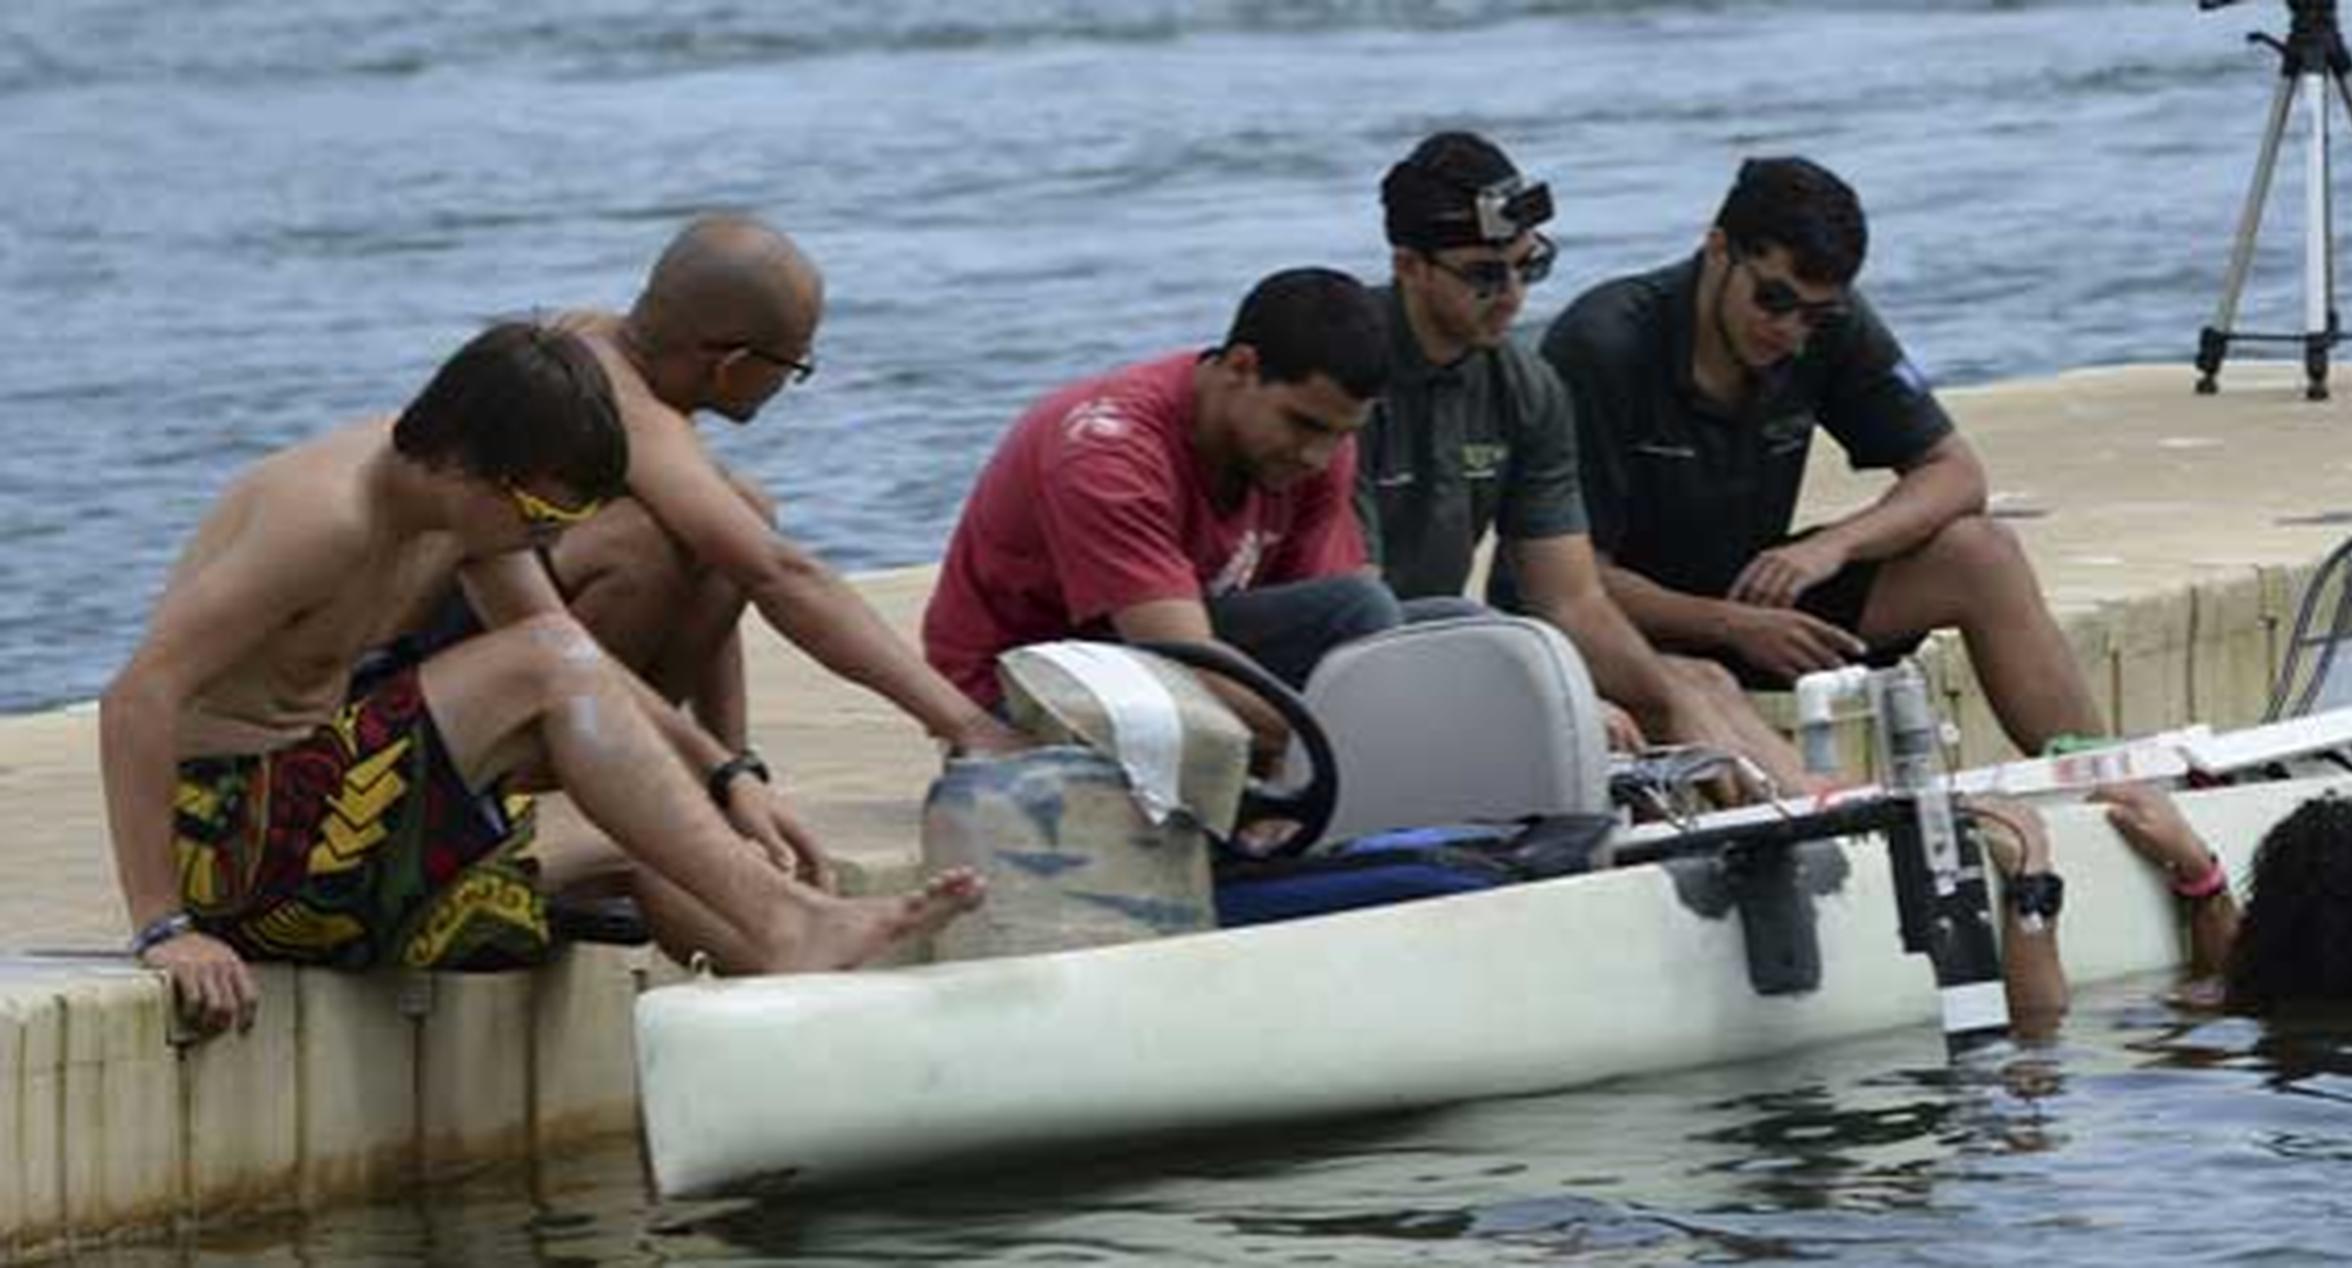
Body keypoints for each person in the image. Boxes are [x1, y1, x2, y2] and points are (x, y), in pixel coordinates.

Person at [100, 322, 982, 1037]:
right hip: (241, 860)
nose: (548, 534)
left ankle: (808, 1006)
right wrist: (166, 928)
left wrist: (725, 773)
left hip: (340, 856)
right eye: (546, 510)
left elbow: (572, 653)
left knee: (661, 844)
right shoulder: (322, 519)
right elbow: (139, 697)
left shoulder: (461, 510)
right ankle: (794, 925)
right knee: (544, 663)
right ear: (471, 464)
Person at [1541, 156, 2103, 756]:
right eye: (1772, 299)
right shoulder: (1603, 345)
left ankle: (2106, 780)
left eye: (1816, 313)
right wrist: (1729, 624)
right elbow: (1570, 586)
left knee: (1982, 554)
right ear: (1717, 249)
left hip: (1753, 597)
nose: (1790, 330)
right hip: (1620, 625)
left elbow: (1954, 473)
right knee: (1707, 684)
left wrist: (1831, 547)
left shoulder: (1827, 326)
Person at [1361, 131, 1814, 791]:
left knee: (1697, 681)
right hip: (1352, 665)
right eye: (1485, 275)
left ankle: (1827, 824)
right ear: (1409, 267)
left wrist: (1664, 700)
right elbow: (1358, 615)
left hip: (1445, 646)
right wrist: (1562, 701)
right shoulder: (1346, 379)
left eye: (1530, 264)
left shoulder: (1525, 388)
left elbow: (1573, 600)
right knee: (1606, 711)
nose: (1513, 295)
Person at [510, 214, 1019, 765]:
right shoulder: (620, 400)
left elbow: (723, 549)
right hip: (455, 684)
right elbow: (781, 575)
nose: (793, 378)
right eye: (797, 363)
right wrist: (965, 723)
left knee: (738, 510)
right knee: (642, 546)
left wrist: (733, 761)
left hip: (514, 636)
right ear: (732, 365)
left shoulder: (612, 348)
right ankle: (549, 763)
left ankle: (696, 759)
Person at [923, 267, 1401, 755]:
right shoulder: (1106, 454)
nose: (1317, 456)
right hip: (1025, 687)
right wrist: (1350, 747)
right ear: (1240, 367)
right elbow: (1185, 661)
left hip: (1168, 652)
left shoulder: (1316, 449)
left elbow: (1333, 643)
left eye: (1341, 434)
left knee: (1451, 626)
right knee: (1360, 611)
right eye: (1302, 425)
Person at [1972, 784, 2352, 1033]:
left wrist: (2031, 881)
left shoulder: (2234, 1014)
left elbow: (2042, 1033)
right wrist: (2200, 875)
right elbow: (2246, 980)